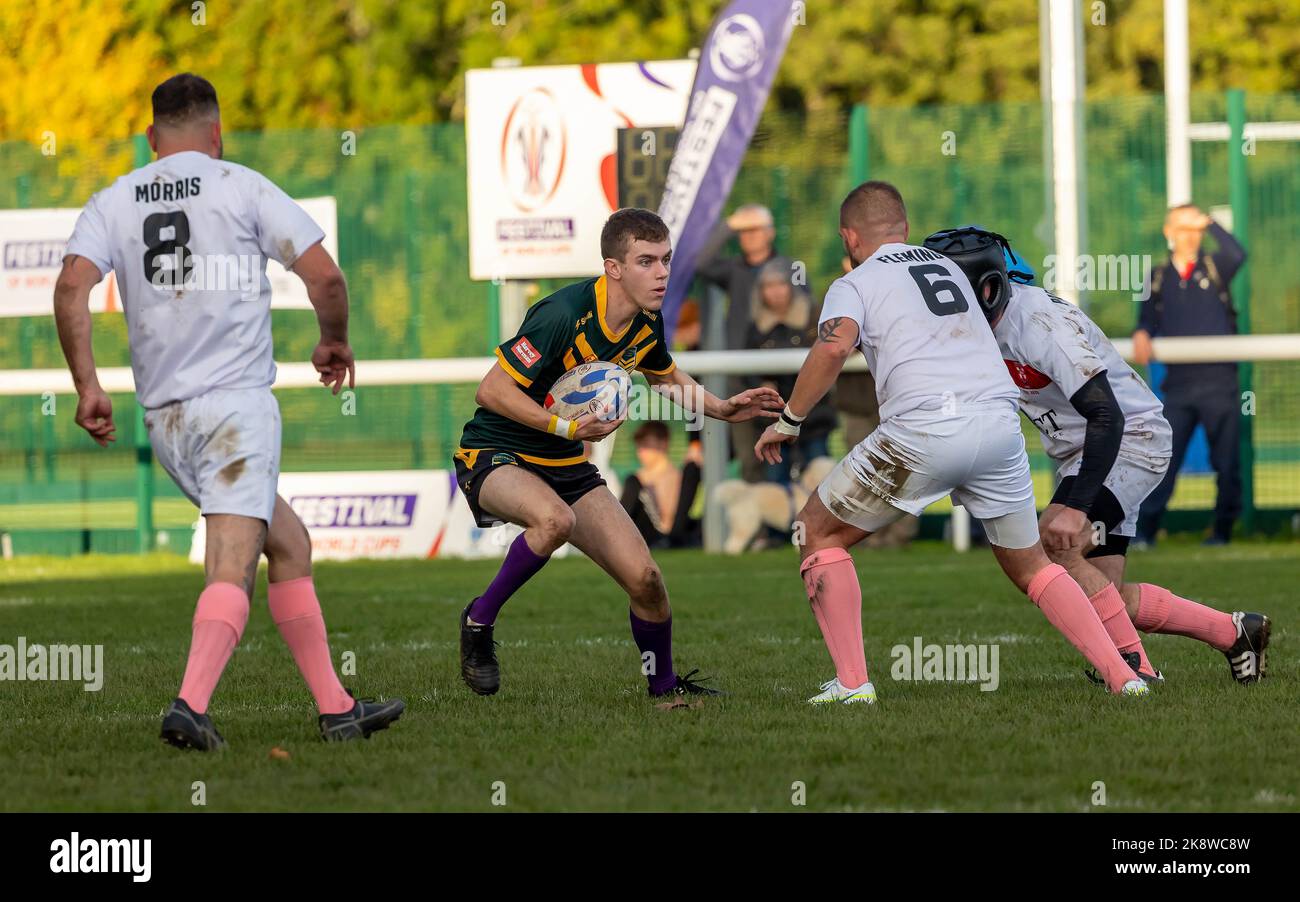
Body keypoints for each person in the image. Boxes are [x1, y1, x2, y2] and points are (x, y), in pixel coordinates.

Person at [52, 73, 404, 750]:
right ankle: (190, 705)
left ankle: (336, 708)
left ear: (152, 138)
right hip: (236, 412)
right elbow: (325, 276)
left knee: (290, 544)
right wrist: (332, 339)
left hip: (167, 422)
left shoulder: (112, 200)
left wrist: (88, 387)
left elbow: (71, 289)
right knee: (231, 567)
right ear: (216, 134)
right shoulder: (239, 184)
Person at [754, 181, 1150, 704]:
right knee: (1033, 566)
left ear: (849, 237)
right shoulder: (950, 270)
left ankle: (853, 684)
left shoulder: (856, 280)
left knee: (816, 533)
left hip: (922, 432)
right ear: (906, 228)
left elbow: (832, 350)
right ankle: (1126, 679)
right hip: (998, 428)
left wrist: (789, 419)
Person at [452, 207, 782, 699]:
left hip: (566, 467)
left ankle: (664, 690)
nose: (663, 272)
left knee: (647, 580)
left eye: (666, 260)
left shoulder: (646, 320)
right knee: (553, 521)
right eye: (647, 261)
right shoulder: (562, 314)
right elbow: (492, 390)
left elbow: (664, 376)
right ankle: (478, 622)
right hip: (496, 453)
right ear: (614, 268)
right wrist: (565, 425)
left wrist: (722, 408)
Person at [924, 226, 1269, 686]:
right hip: (1089, 449)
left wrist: (1079, 506)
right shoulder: (986, 324)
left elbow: (1108, 415)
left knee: (1057, 544)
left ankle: (1134, 671)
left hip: (1129, 440)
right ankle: (1235, 632)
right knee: (1108, 597)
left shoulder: (1039, 324)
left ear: (987, 290)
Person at [1132, 205, 1247, 546]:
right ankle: (1145, 533)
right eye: (1183, 228)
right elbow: (1145, 321)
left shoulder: (1215, 267)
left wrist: (1209, 222)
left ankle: (1223, 532)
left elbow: (1237, 252)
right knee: (1163, 462)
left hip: (1220, 385)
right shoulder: (1154, 276)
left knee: (1226, 463)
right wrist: (1140, 331)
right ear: (1169, 232)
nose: (1191, 235)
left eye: (1196, 229)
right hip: (1179, 387)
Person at [696, 204, 802, 482]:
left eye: (753, 229)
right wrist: (729, 225)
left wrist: (772, 373)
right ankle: (758, 525)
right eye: (742, 232)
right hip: (741, 381)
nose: (747, 236)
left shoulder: (792, 269)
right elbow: (700, 263)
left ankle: (791, 525)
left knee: (790, 464)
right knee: (751, 463)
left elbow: (801, 322)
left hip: (783, 384)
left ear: (770, 233)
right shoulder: (734, 269)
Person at [745, 259, 836, 484]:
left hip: (813, 419)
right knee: (776, 485)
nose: (775, 292)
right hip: (773, 419)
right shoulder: (755, 327)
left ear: (792, 286)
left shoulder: (814, 318)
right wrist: (763, 383)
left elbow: (825, 360)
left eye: (780, 285)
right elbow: (747, 368)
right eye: (768, 286)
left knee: (820, 482)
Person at [619, 421, 702, 549]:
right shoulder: (637, 479)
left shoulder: (678, 476)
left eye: (646, 445)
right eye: (639, 446)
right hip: (649, 533)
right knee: (633, 482)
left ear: (663, 443)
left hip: (673, 533)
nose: (640, 451)